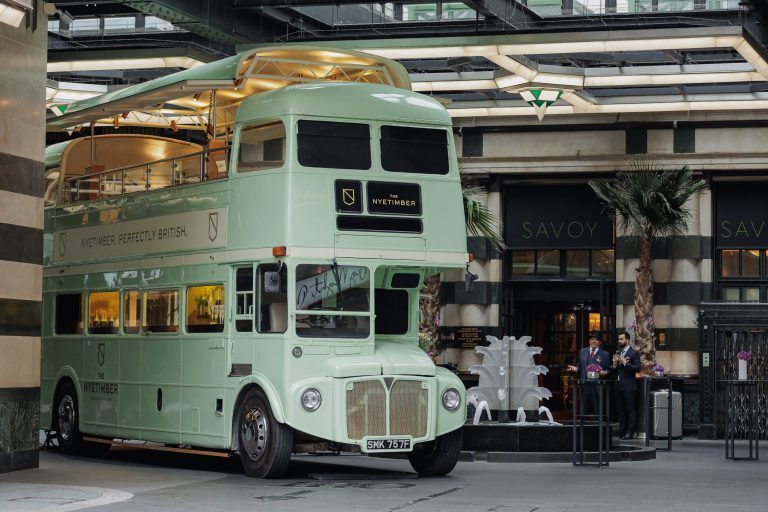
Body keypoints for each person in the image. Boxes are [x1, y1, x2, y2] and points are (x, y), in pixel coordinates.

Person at [568, 331, 611, 416]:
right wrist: (575, 369)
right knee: (583, 410)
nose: (594, 341)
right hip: (585, 385)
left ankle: (598, 428)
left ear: (599, 342)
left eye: (596, 339)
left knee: (598, 410)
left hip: (598, 386)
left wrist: (605, 372)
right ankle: (582, 428)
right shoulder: (583, 351)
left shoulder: (605, 354)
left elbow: (608, 369)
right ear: (589, 341)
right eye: (592, 339)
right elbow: (580, 366)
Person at [612, 330, 641, 440]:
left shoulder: (633, 353)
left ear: (627, 340)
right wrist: (614, 364)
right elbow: (614, 370)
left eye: (621, 339)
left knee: (630, 409)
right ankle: (622, 431)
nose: (619, 341)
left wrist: (626, 363)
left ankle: (630, 432)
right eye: (619, 339)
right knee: (620, 409)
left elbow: (638, 368)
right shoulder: (618, 352)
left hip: (629, 386)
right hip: (618, 385)